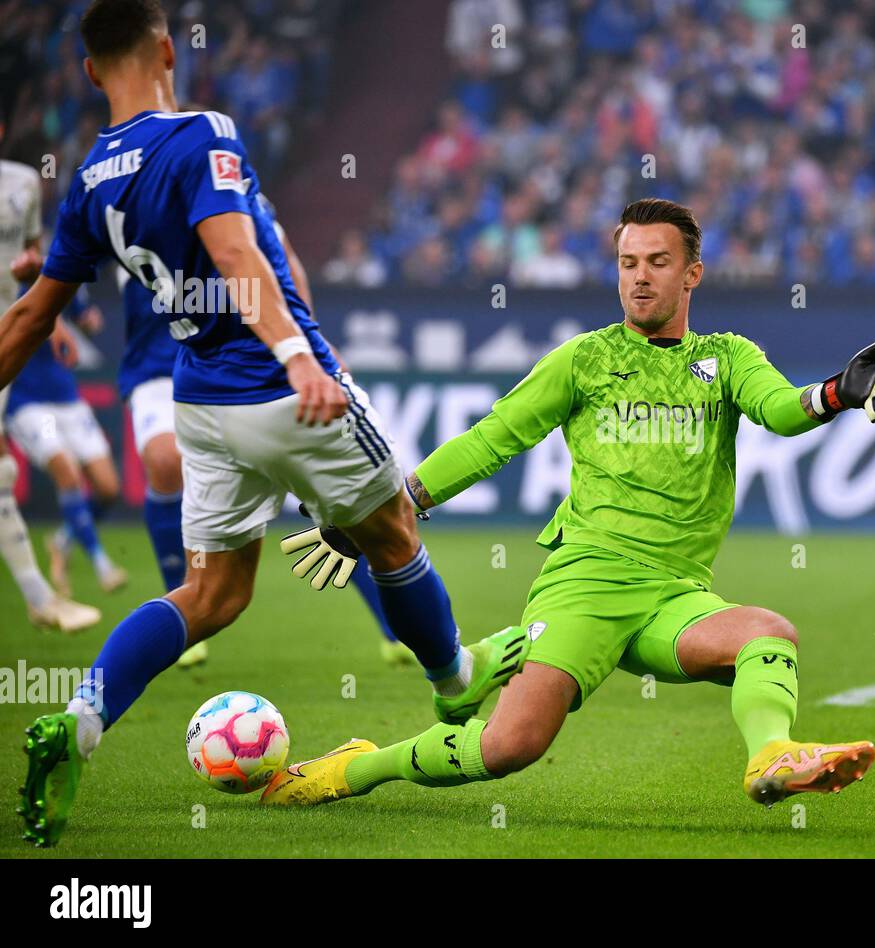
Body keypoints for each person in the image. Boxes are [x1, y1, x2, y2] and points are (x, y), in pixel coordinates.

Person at [0, 0, 525, 848]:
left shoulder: (92, 175)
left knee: (211, 594)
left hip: (200, 405)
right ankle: (456, 679)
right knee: (391, 528)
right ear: (168, 49)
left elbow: (29, 317)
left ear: (91, 72)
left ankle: (81, 722)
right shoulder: (202, 132)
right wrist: (297, 356)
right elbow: (238, 251)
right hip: (278, 388)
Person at [261, 198, 875, 810]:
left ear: (693, 275)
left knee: (767, 632)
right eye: (628, 264)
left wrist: (832, 395)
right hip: (587, 585)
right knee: (508, 747)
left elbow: (777, 408)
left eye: (658, 263)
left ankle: (771, 755)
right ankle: (358, 766)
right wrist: (394, 507)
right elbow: (493, 438)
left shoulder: (727, 358)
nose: (640, 278)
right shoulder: (585, 359)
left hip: (675, 596)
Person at [115, 184, 414, 668]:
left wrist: (309, 343)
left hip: (247, 365)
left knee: (333, 490)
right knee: (166, 460)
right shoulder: (127, 201)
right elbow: (69, 261)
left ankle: (394, 627)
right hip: (158, 364)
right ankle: (183, 602)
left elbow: (288, 263)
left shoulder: (236, 198)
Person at [0, 151, 101, 632]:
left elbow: (38, 273)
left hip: (28, 359)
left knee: (3, 472)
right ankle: (47, 594)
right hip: (19, 378)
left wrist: (57, 317)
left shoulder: (23, 187)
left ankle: (43, 594)